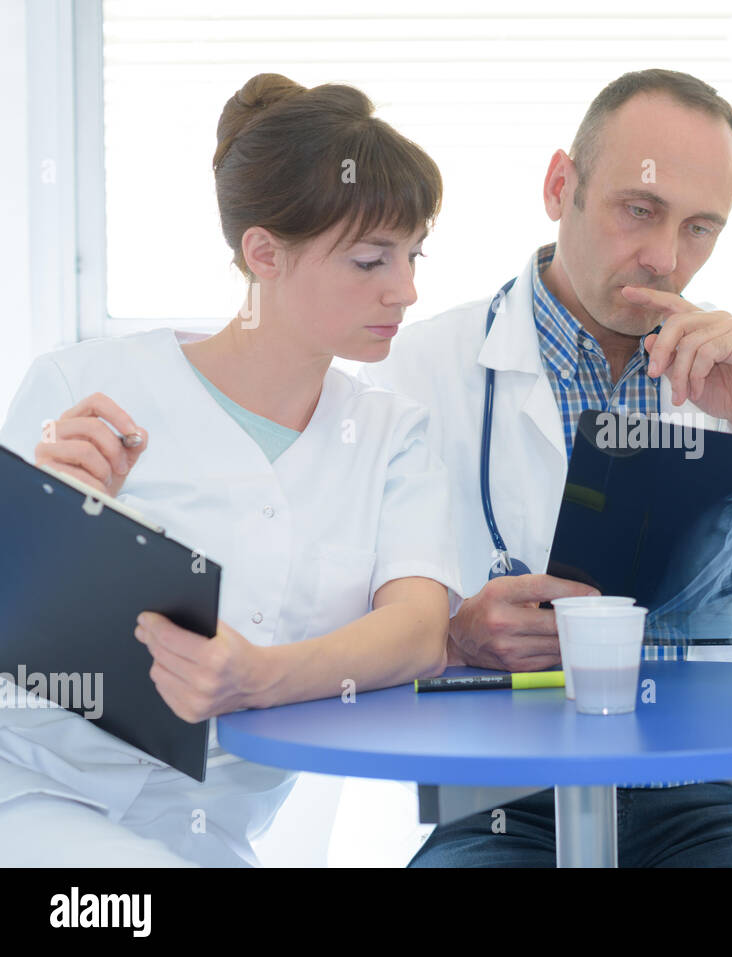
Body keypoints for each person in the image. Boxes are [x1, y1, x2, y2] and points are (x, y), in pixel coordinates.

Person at [360, 68, 732, 867]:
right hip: (501, 797)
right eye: (639, 210)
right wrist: (450, 637)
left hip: (710, 792)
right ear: (560, 186)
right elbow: (336, 620)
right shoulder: (420, 367)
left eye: (700, 228)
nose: (663, 257)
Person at [0, 73, 460, 866]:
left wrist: (258, 676)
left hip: (210, 834)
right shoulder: (84, 390)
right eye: (369, 259)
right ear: (264, 252)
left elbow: (419, 634)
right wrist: (55, 523)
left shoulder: (392, 436)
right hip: (36, 796)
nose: (407, 289)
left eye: (412, 254)